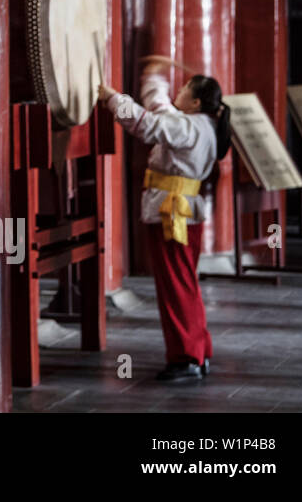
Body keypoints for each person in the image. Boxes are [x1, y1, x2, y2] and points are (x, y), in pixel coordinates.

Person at [99, 62, 231, 382]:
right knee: (183, 282)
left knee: (175, 286)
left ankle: (186, 357)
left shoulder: (189, 127)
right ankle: (198, 350)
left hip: (174, 214)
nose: (179, 92)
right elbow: (161, 109)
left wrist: (112, 98)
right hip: (183, 211)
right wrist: (153, 77)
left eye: (185, 89)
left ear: (196, 101)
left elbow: (146, 125)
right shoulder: (198, 124)